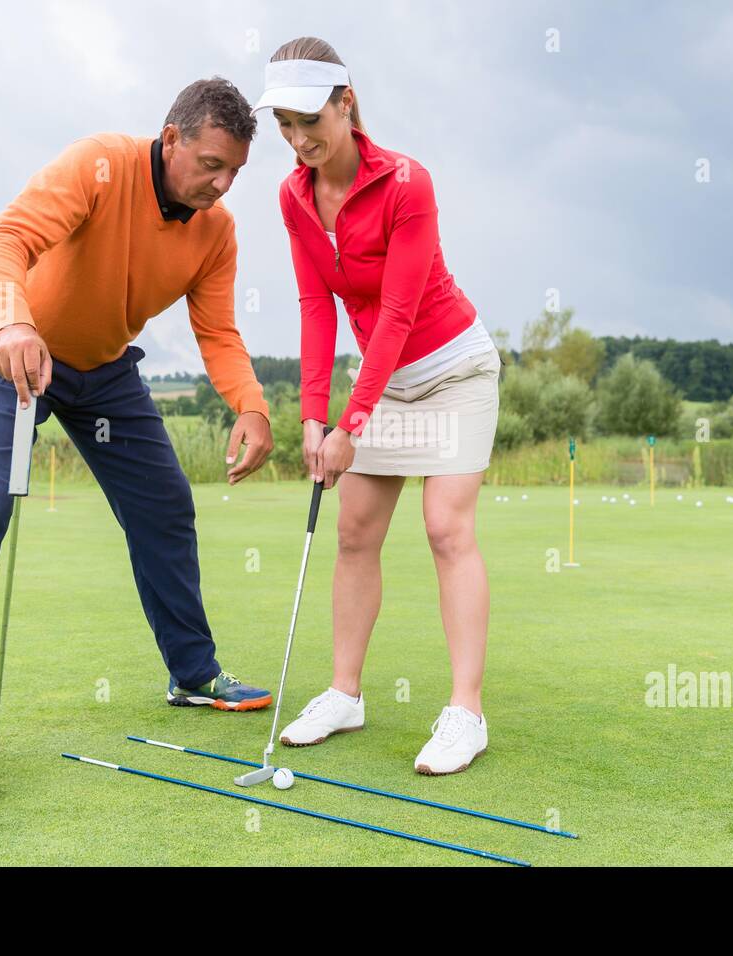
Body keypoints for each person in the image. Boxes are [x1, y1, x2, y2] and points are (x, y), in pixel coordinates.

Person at [0, 78, 275, 804]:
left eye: (235, 173)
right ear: (172, 140)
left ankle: (193, 674)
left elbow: (218, 332)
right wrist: (13, 322)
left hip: (102, 372)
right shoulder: (100, 163)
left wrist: (251, 407)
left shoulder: (216, 230)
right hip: (18, 351)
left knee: (166, 504)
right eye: (211, 165)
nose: (222, 185)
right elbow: (2, 241)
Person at [252, 38, 501, 775]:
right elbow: (314, 306)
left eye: (310, 120)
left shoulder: (406, 182)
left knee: (446, 529)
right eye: (284, 125)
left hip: (452, 368)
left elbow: (395, 313)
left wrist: (351, 423)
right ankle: (345, 693)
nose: (299, 140)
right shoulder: (294, 194)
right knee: (355, 532)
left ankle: (466, 714)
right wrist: (312, 417)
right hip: (383, 379)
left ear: (346, 102)